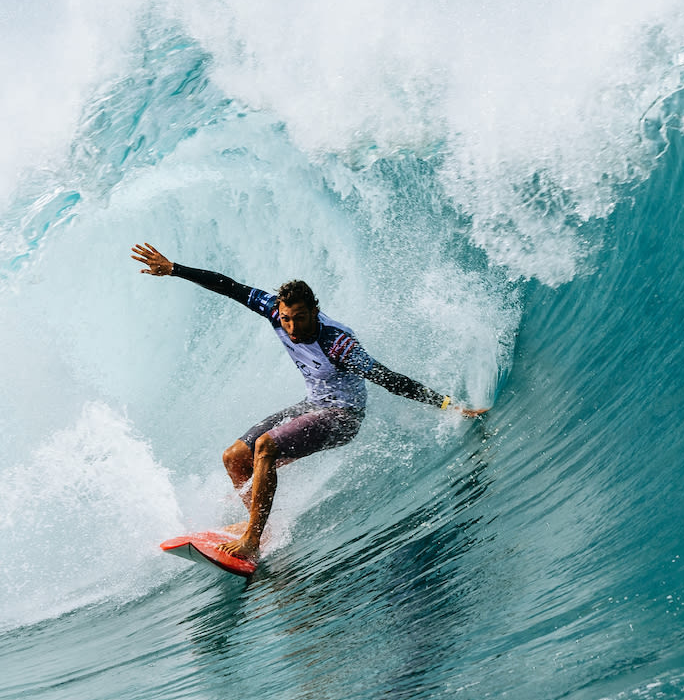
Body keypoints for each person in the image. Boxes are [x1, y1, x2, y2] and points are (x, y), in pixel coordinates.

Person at [132, 241, 488, 563]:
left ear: (315, 311)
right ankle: (262, 529)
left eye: (299, 318)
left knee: (267, 447)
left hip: (342, 417)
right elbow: (230, 287)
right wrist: (175, 269)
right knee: (235, 457)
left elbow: (389, 378)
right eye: (286, 318)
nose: (291, 327)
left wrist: (448, 405)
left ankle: (251, 541)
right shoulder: (275, 311)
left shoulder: (338, 343)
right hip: (312, 404)